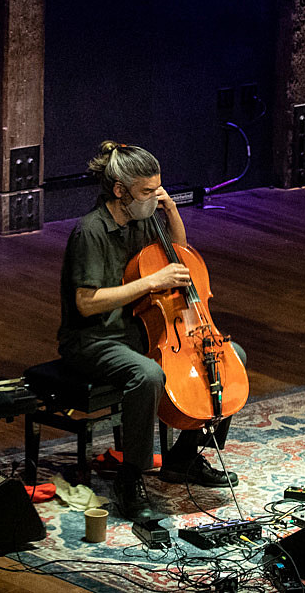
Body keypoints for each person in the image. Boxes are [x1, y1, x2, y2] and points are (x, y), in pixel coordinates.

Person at [57, 140, 244, 522]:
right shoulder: (90, 231)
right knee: (147, 374)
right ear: (119, 190)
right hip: (93, 338)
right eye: (146, 192)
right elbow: (86, 302)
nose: (152, 198)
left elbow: (178, 253)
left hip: (135, 331)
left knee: (231, 356)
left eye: (157, 190)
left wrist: (171, 209)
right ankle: (131, 477)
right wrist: (150, 283)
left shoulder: (144, 221)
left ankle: (184, 457)